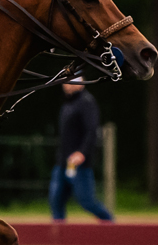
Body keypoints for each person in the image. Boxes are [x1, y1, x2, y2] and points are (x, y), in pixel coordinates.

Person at [48, 79, 114, 221]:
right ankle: (59, 236)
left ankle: (111, 225)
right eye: (65, 82)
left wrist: (82, 153)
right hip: (62, 162)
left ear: (81, 83)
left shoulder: (87, 102)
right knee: (56, 199)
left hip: (79, 164)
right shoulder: (68, 102)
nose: (67, 85)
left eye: (71, 82)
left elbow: (92, 131)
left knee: (87, 202)